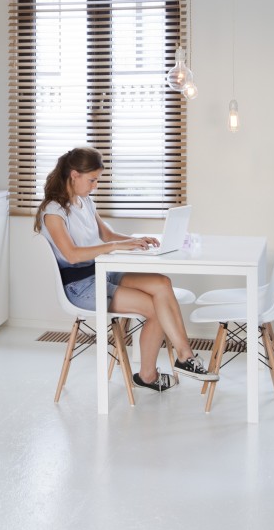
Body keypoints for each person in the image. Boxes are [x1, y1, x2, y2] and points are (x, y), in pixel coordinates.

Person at [35, 146, 217, 392]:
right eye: (92, 180)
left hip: (102, 272)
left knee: (162, 283)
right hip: (81, 286)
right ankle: (149, 375)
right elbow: (72, 254)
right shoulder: (53, 212)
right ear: (74, 175)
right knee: (155, 309)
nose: (95, 185)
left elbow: (107, 234)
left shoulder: (85, 201)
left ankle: (185, 357)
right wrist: (117, 245)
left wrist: (133, 241)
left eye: (97, 180)